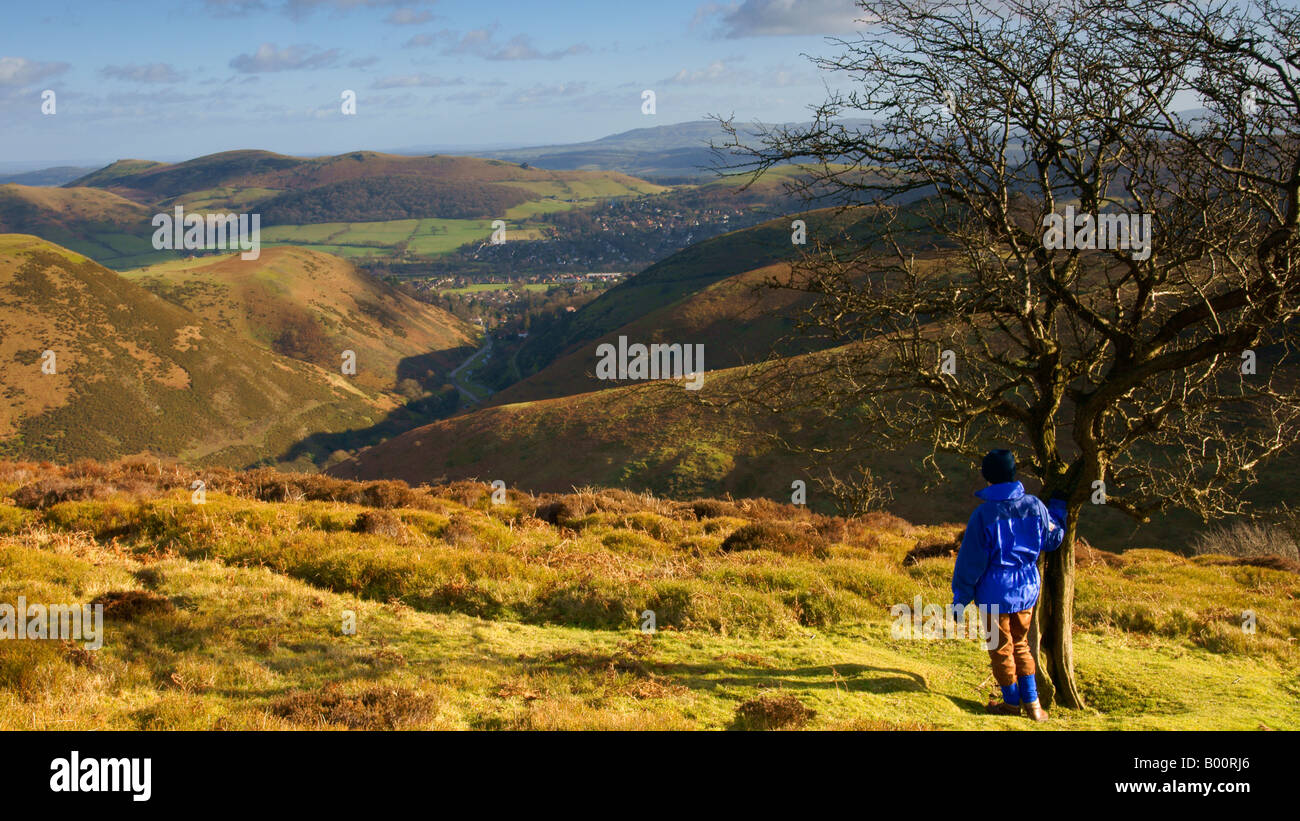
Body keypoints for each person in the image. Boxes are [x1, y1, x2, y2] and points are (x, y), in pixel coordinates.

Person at [951, 449, 1068, 721]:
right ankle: (1034, 705)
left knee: (1000, 648)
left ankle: (1012, 703)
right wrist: (1059, 510)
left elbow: (971, 563)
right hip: (1026, 590)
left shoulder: (983, 515)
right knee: (1022, 644)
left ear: (987, 477)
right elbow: (1052, 539)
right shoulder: (1035, 506)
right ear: (1013, 473)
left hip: (994, 594)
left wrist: (960, 599)